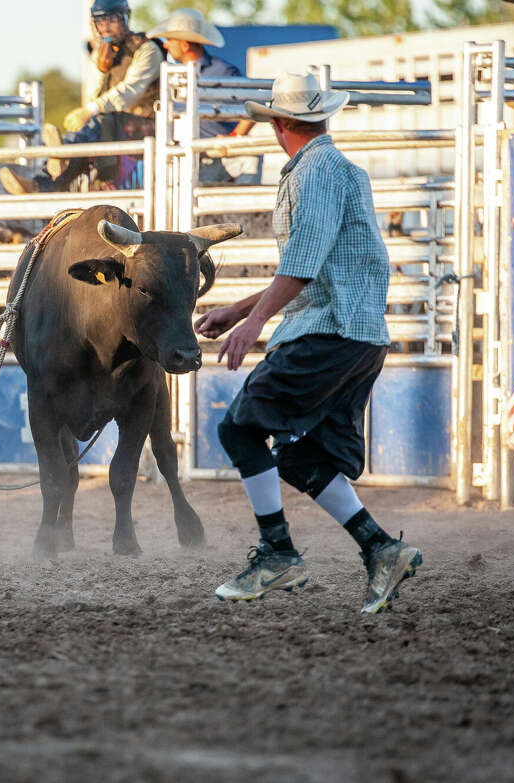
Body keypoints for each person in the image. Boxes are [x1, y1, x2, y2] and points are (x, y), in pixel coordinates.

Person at [193, 71, 422, 615]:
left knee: (239, 428)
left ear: (279, 123)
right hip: (359, 339)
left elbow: (302, 263)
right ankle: (380, 549)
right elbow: (313, 267)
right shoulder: (341, 170)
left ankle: (278, 553)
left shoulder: (312, 173)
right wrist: (239, 311)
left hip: (327, 332)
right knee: (300, 456)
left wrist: (252, 323)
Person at [0, 0, 161, 194]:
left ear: (125, 18)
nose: (106, 28)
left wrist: (91, 110)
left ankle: (59, 158)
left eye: (112, 21)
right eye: (100, 23)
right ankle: (42, 181)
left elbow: (129, 91)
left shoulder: (147, 49)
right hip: (110, 126)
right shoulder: (102, 52)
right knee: (88, 130)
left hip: (147, 126)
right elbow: (93, 95)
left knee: (95, 124)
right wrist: (101, 69)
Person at [146, 8, 259, 184]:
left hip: (216, 160)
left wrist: (234, 137)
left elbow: (254, 103)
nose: (166, 45)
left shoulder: (221, 71)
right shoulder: (176, 74)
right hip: (189, 159)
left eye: (170, 40)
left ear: (185, 45)